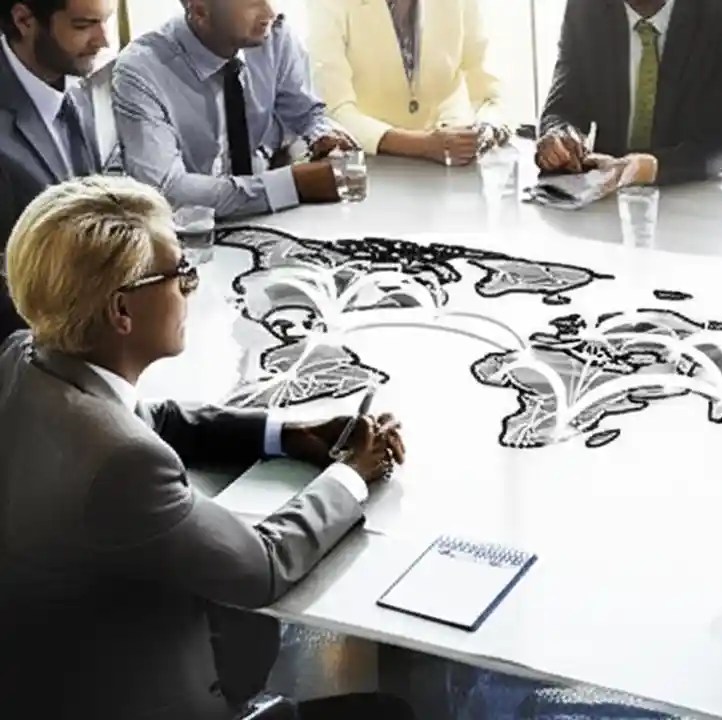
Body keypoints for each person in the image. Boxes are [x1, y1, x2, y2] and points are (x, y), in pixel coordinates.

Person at [0, 176, 413, 719]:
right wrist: (354, 473)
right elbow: (263, 565)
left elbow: (151, 419)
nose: (193, 286)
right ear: (122, 312)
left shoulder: (22, 358)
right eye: (182, 274)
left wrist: (285, 433)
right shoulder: (120, 466)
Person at [112, 0, 356, 220]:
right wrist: (294, 185)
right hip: (191, 236)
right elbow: (166, 191)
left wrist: (324, 138)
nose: (271, 11)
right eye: (253, 2)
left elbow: (307, 114)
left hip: (273, 220)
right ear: (199, 10)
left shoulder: (274, 36)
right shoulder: (141, 70)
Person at [535, 0, 722, 186]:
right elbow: (563, 107)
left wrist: (644, 168)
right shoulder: (585, 8)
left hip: (709, 184)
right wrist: (560, 137)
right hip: (615, 189)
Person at [1, 0, 110, 337]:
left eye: (105, 21)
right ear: (24, 20)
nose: (103, 40)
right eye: (83, 25)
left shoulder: (75, 75)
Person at [306, 0, 509, 167]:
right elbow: (333, 111)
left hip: (445, 170)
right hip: (364, 168)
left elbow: (486, 85)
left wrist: (487, 126)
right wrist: (424, 145)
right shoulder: (328, 5)